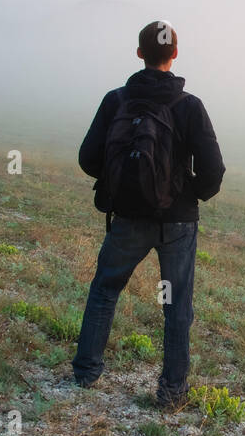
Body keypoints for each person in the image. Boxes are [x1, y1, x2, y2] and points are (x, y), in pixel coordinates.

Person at [72, 21, 225, 408]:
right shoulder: (189, 106)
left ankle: (86, 373)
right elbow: (213, 171)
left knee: (105, 290)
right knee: (176, 306)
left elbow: (88, 158)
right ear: (174, 55)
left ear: (139, 54)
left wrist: (123, 183)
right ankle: (172, 393)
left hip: (127, 218)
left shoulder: (116, 100)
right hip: (178, 223)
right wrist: (186, 194)